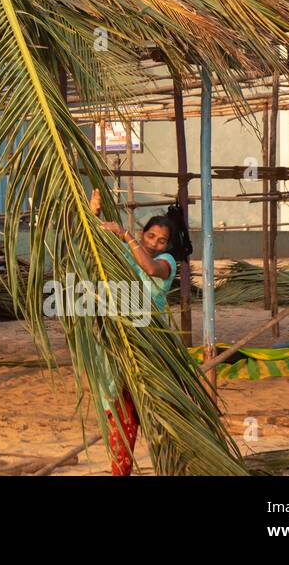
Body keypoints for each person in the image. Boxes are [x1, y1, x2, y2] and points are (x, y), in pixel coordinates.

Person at [87, 189, 179, 476]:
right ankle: (120, 471)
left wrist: (125, 235)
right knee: (119, 408)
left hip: (152, 345)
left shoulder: (168, 263)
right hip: (123, 340)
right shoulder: (128, 253)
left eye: (161, 240)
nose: (154, 243)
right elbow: (96, 247)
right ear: (144, 233)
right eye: (150, 236)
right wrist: (95, 214)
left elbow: (150, 268)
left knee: (156, 415)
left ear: (168, 245)